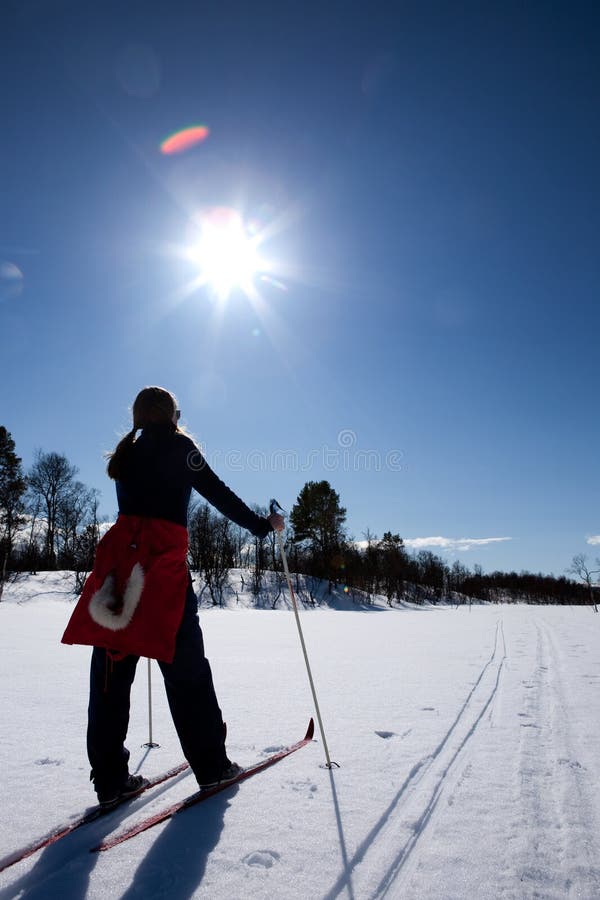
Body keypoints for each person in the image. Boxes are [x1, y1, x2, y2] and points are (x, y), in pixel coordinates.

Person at [62, 385, 284, 807]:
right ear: (172, 415)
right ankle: (212, 768)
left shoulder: (126, 453)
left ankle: (110, 780)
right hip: (162, 573)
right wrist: (262, 525)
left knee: (110, 677)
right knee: (187, 672)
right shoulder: (182, 448)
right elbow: (220, 494)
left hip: (121, 573)